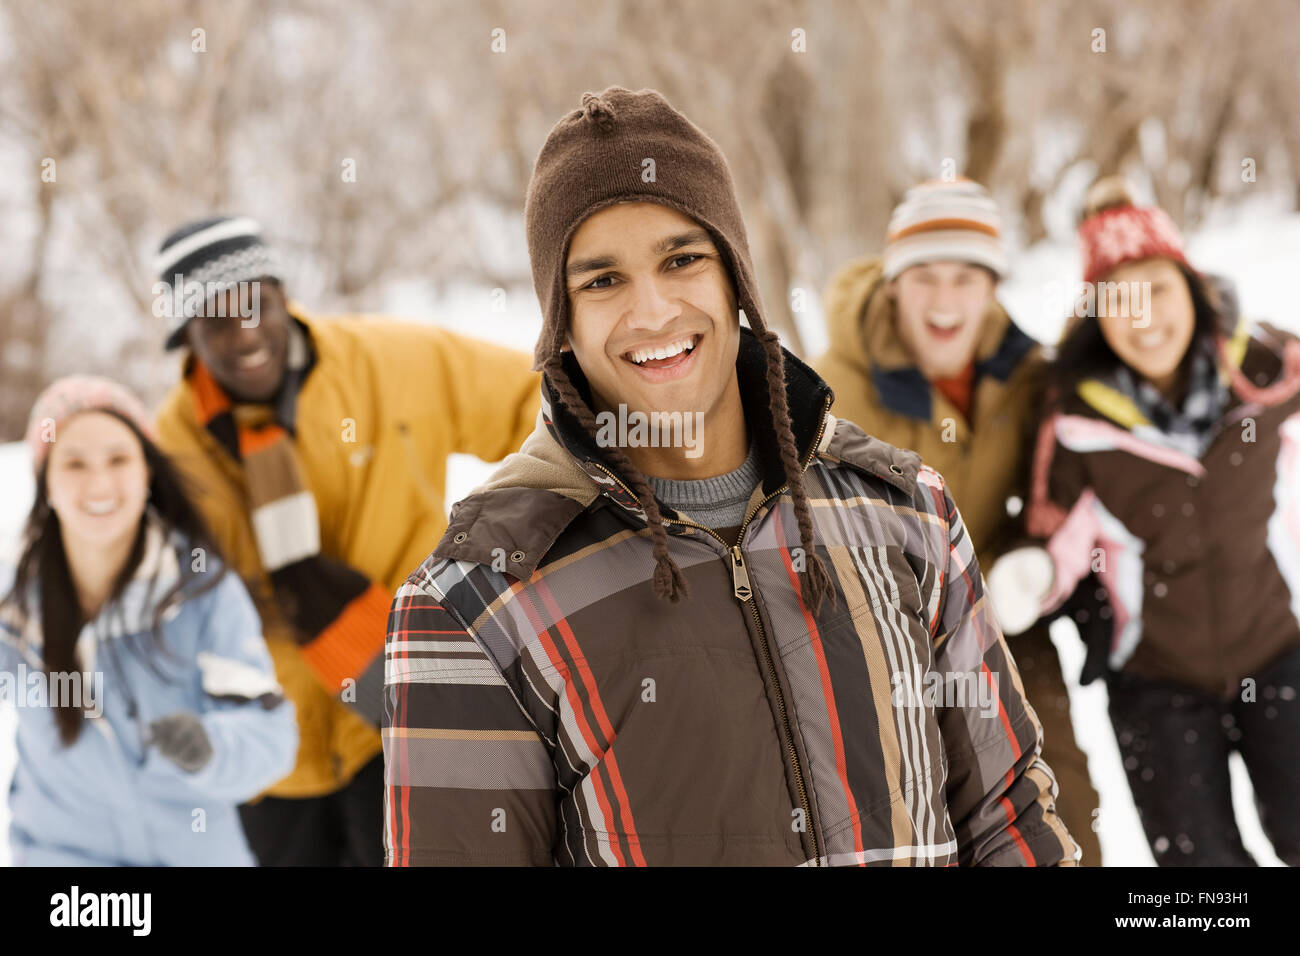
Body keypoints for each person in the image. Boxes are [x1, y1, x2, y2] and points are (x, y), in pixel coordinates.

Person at [382, 87, 1080, 866]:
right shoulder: (477, 599)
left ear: (735, 282)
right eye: (602, 281)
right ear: (562, 325)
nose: (652, 311)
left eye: (682, 259)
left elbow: (1005, 812)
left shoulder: (905, 512)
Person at [152, 216, 540, 865]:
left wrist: (507, 545)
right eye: (216, 320)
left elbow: (540, 406)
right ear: (187, 338)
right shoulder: (171, 450)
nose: (245, 332)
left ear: (281, 295)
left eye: (257, 304)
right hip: (273, 752)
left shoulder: (391, 362)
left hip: (405, 710)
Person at [997, 176, 1300, 866]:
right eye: (1117, 299)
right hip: (1157, 681)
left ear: (1192, 291)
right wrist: (1032, 577)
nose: (1143, 316)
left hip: (1278, 649)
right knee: (1200, 872)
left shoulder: (1265, 373)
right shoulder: (1077, 420)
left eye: (1158, 289)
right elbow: (1062, 540)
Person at [815, 178, 1103, 864]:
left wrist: (1023, 564)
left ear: (993, 287)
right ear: (893, 286)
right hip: (881, 631)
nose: (946, 300)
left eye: (967, 277)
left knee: (1061, 809)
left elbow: (1060, 487)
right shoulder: (833, 389)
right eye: (925, 277)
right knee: (917, 822)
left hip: (1002, 619)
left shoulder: (1027, 374)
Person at [0, 376, 296, 866]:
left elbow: (271, 737)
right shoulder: (14, 604)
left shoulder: (202, 591)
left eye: (118, 459)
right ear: (45, 479)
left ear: (147, 473)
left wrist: (211, 748)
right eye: (74, 462)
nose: (99, 484)